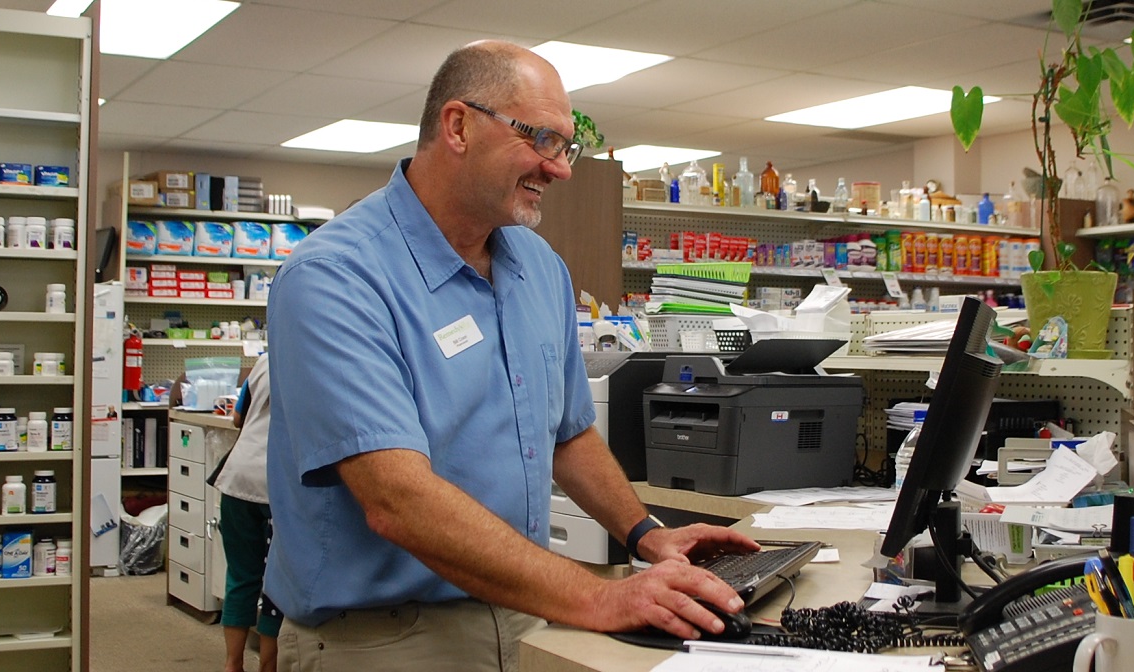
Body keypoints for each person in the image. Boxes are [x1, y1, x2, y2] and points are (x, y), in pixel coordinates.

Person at [263, 40, 758, 671]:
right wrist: (598, 597)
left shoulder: (538, 267)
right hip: (386, 637)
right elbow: (397, 501)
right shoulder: (335, 277)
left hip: (524, 612)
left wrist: (646, 534)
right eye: (543, 140)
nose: (562, 169)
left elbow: (568, 434)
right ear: (459, 126)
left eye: (566, 147)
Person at [213, 354, 281, 672]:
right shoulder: (320, 356)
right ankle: (268, 666)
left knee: (241, 577)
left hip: (237, 478)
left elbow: (238, 417)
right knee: (276, 584)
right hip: (275, 485)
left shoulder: (264, 361)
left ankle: (232, 664)